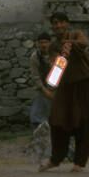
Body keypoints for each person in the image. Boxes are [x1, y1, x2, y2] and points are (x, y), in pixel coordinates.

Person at [41, 11, 89, 173]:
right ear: (52, 26)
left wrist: (70, 44)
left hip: (83, 83)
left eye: (61, 22)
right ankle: (56, 158)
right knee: (57, 120)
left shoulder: (76, 34)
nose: (59, 26)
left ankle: (79, 162)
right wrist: (62, 56)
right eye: (55, 23)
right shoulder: (53, 47)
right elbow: (55, 74)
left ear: (67, 24)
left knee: (83, 121)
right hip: (65, 87)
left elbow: (84, 43)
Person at [28, 32, 53, 167]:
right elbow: (35, 76)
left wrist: (54, 91)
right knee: (38, 120)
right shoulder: (35, 57)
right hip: (41, 92)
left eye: (46, 42)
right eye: (41, 42)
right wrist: (44, 91)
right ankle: (40, 149)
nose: (43, 45)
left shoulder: (57, 55)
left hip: (56, 92)